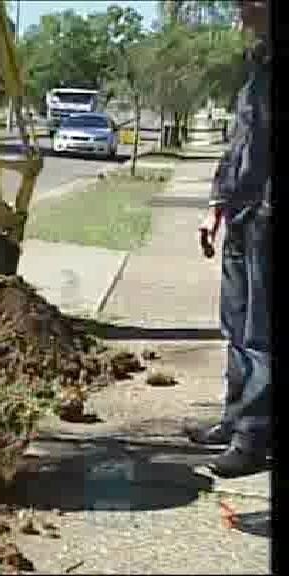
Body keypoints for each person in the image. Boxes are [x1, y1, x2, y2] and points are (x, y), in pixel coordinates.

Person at [189, 0, 270, 479]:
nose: (240, 13)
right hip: (242, 212)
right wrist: (217, 204)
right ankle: (235, 417)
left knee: (260, 333)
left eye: (248, 5)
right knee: (235, 324)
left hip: (266, 216)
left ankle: (253, 438)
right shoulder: (258, 64)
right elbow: (241, 141)